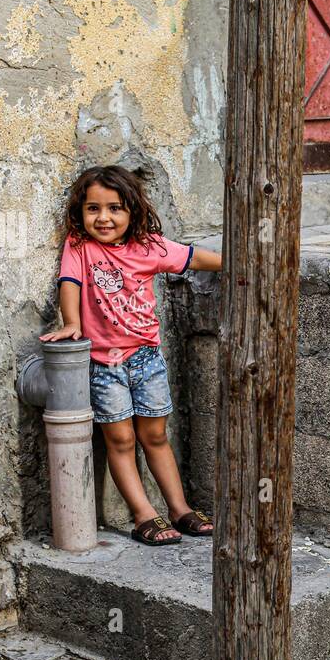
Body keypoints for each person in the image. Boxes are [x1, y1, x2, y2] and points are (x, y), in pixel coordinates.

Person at [40, 165, 222, 544]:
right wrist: (72, 322)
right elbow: (69, 283)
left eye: (114, 208)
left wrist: (245, 261)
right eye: (93, 209)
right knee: (120, 440)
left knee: (155, 435)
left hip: (147, 359)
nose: (103, 218)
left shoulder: (149, 246)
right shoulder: (80, 247)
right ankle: (143, 515)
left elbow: (193, 258)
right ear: (81, 212)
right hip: (104, 364)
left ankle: (180, 509)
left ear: (132, 211)